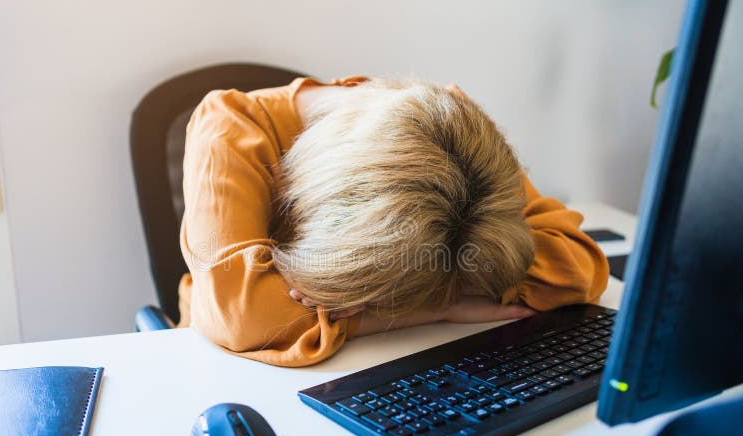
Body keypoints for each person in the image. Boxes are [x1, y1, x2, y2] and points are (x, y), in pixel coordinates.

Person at [177, 76, 609, 367]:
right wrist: (441, 308)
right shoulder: (229, 126)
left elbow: (577, 270)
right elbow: (240, 314)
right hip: (226, 376)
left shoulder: (454, 128)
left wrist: (395, 296)